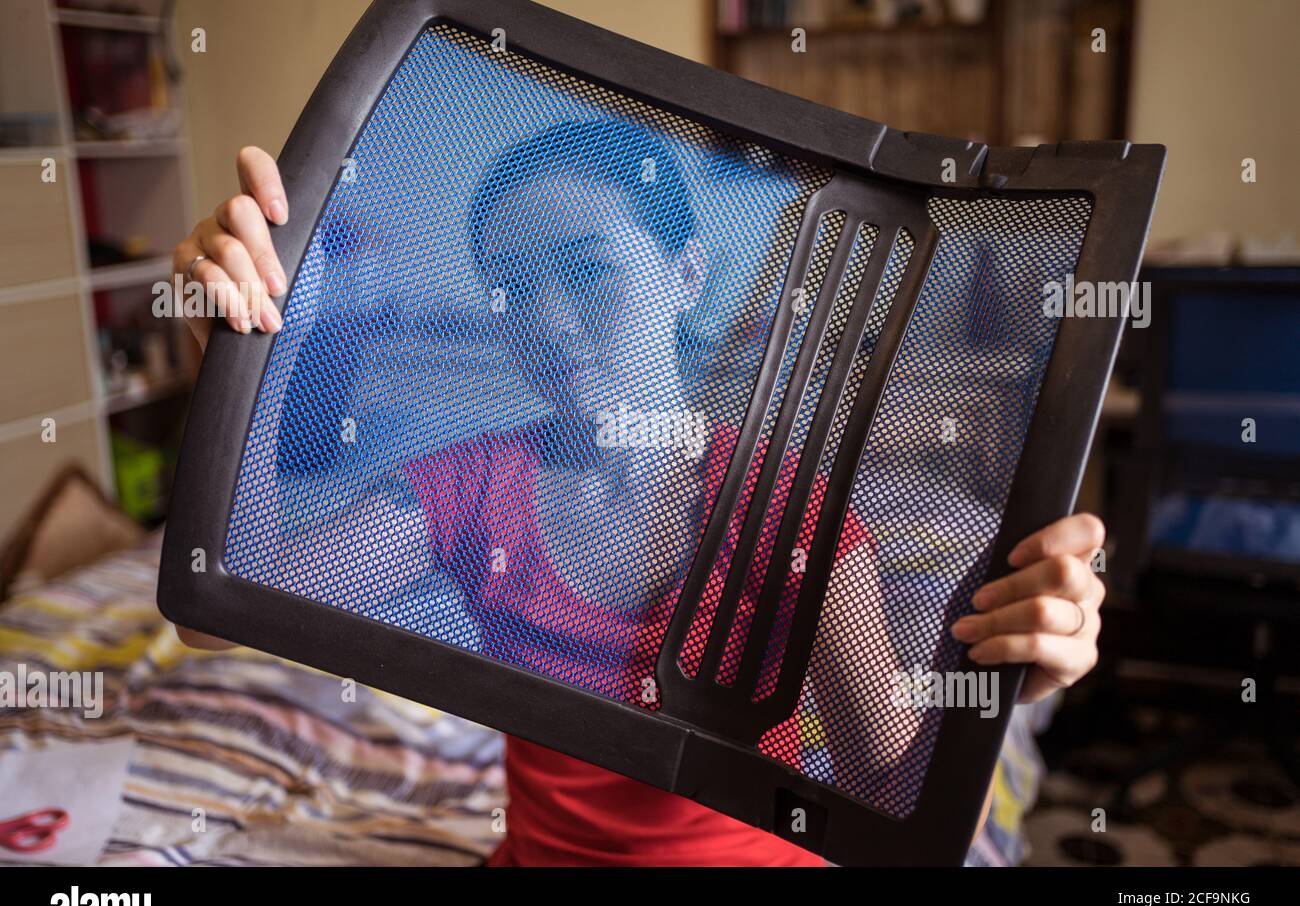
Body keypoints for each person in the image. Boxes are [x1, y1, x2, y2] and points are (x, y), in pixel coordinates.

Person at [171, 133, 1105, 866]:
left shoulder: (778, 507)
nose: (545, 320)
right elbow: (226, 608)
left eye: (586, 271)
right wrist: (252, 351)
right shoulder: (474, 488)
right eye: (510, 293)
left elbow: (886, 791)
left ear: (685, 276)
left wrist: (992, 682)